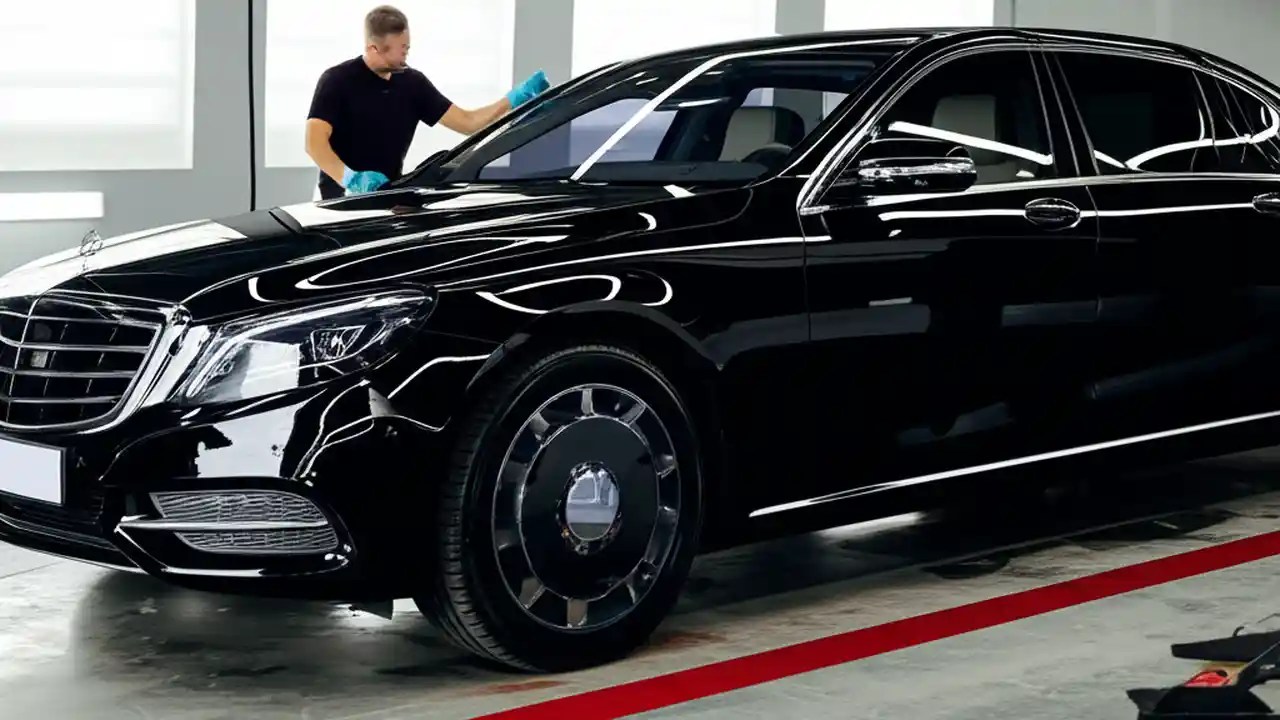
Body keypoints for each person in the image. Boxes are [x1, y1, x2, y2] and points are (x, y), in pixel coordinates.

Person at [305, 5, 551, 199]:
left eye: (407, 46)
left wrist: (514, 98)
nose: (407, 52)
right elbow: (314, 143)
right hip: (334, 197)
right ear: (374, 48)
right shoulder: (337, 80)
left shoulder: (413, 84)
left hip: (386, 197)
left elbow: (468, 122)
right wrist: (350, 179)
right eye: (401, 48)